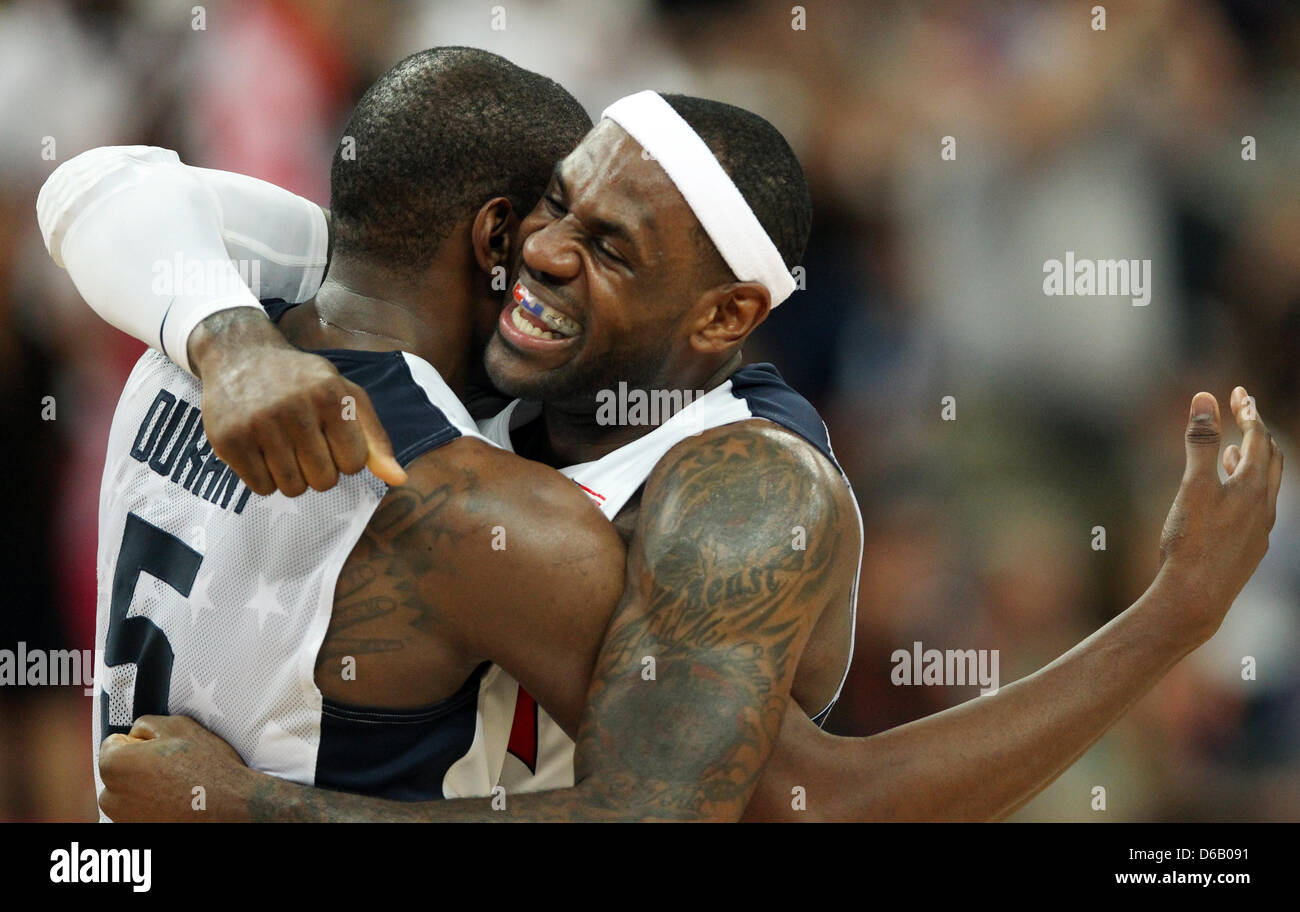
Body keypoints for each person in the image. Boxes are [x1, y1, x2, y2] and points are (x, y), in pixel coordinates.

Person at [43, 54, 1282, 822]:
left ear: (726, 315)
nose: (546, 252)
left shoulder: (743, 491)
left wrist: (1172, 614)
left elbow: (802, 810)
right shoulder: (325, 329)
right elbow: (105, 187)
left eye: (609, 246)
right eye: (555, 205)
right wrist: (224, 339)